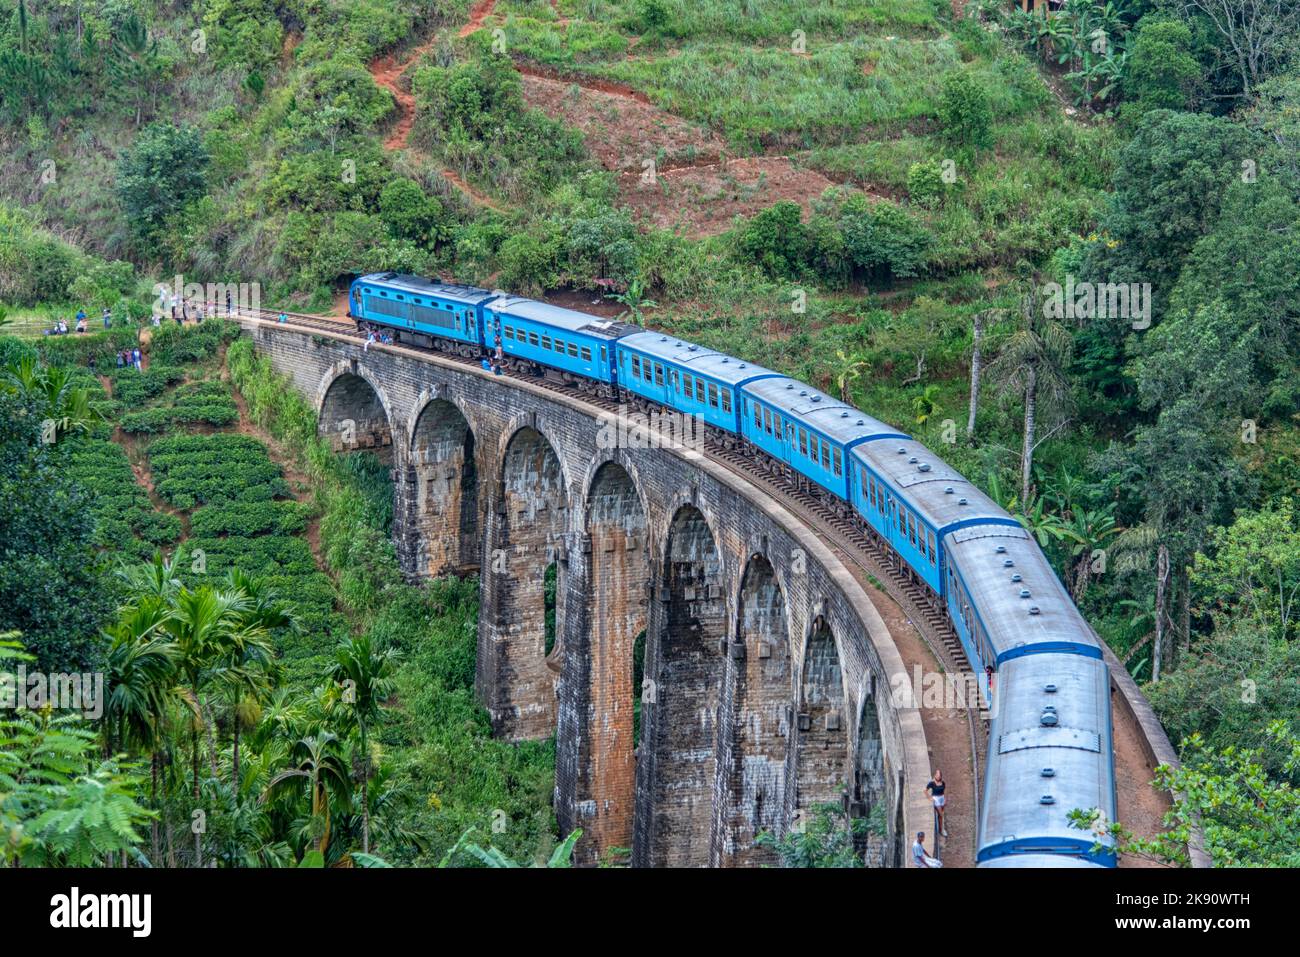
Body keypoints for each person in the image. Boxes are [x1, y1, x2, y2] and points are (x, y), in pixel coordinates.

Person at [926, 770, 947, 839]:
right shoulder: (932, 783)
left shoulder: (943, 783)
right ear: (935, 775)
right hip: (936, 799)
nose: (938, 777)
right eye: (937, 775)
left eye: (939, 776)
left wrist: (945, 799)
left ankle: (940, 829)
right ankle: (942, 830)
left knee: (940, 816)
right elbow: (925, 790)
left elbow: (943, 791)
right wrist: (929, 798)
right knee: (941, 814)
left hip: (942, 798)